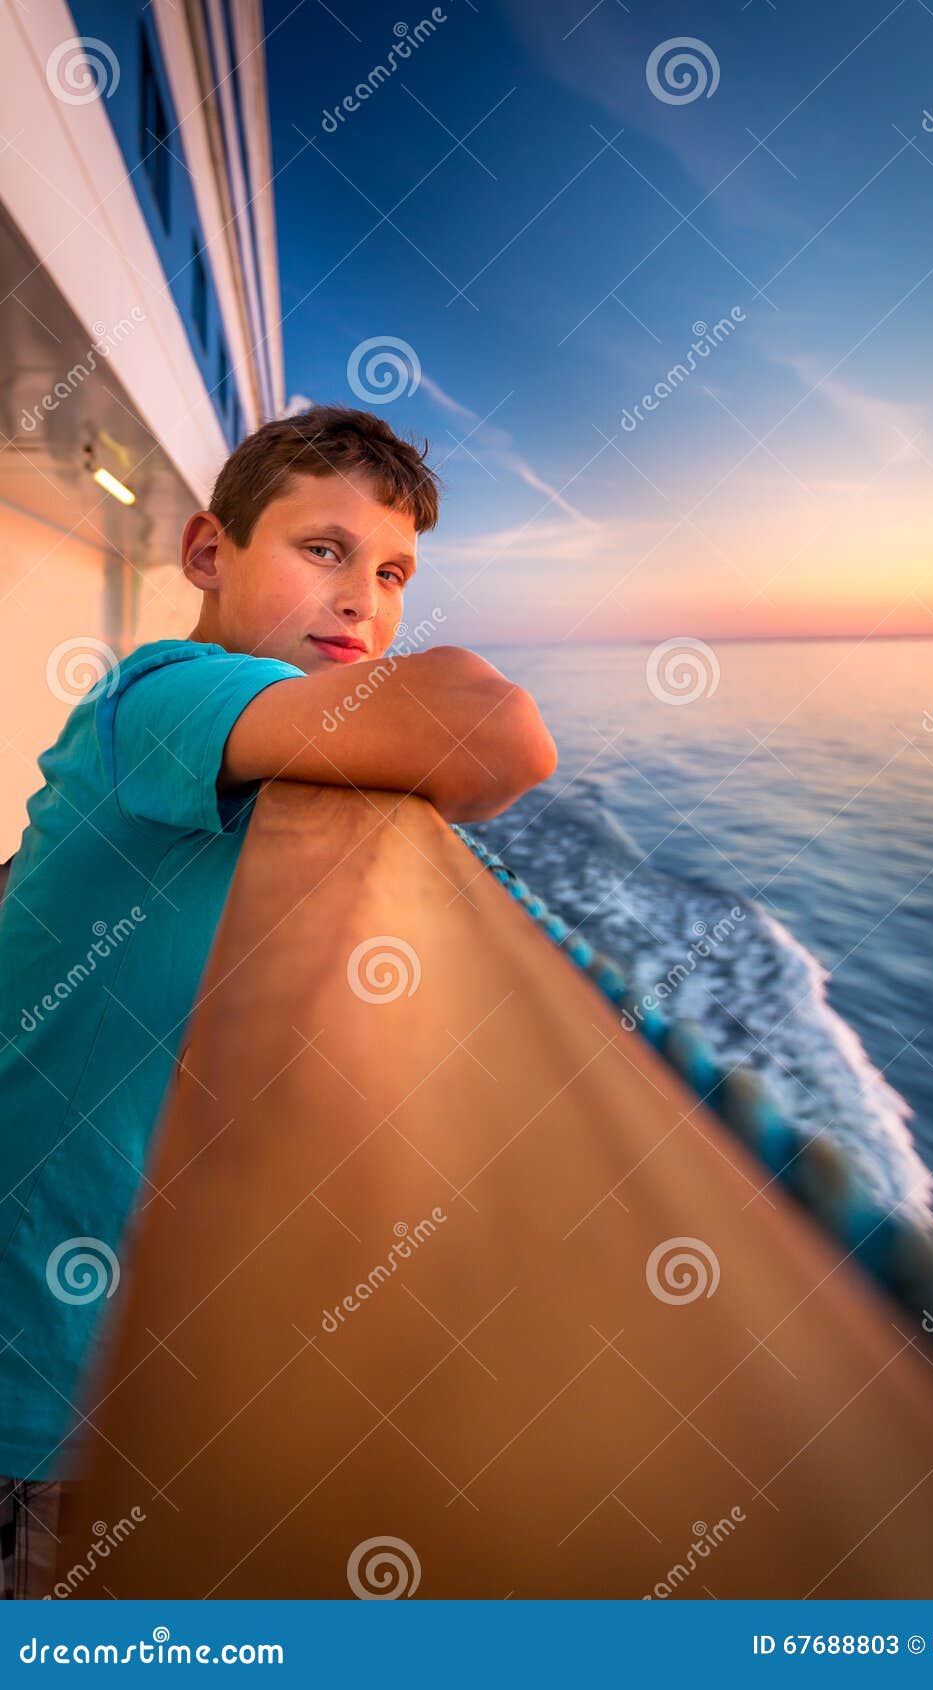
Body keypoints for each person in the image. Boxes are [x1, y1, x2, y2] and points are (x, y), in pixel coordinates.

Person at [0, 404, 556, 1597]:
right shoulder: (166, 691)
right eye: (324, 551)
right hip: (33, 1362)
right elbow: (495, 732)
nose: (363, 600)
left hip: (121, 1340)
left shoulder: (271, 740)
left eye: (394, 572)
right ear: (208, 554)